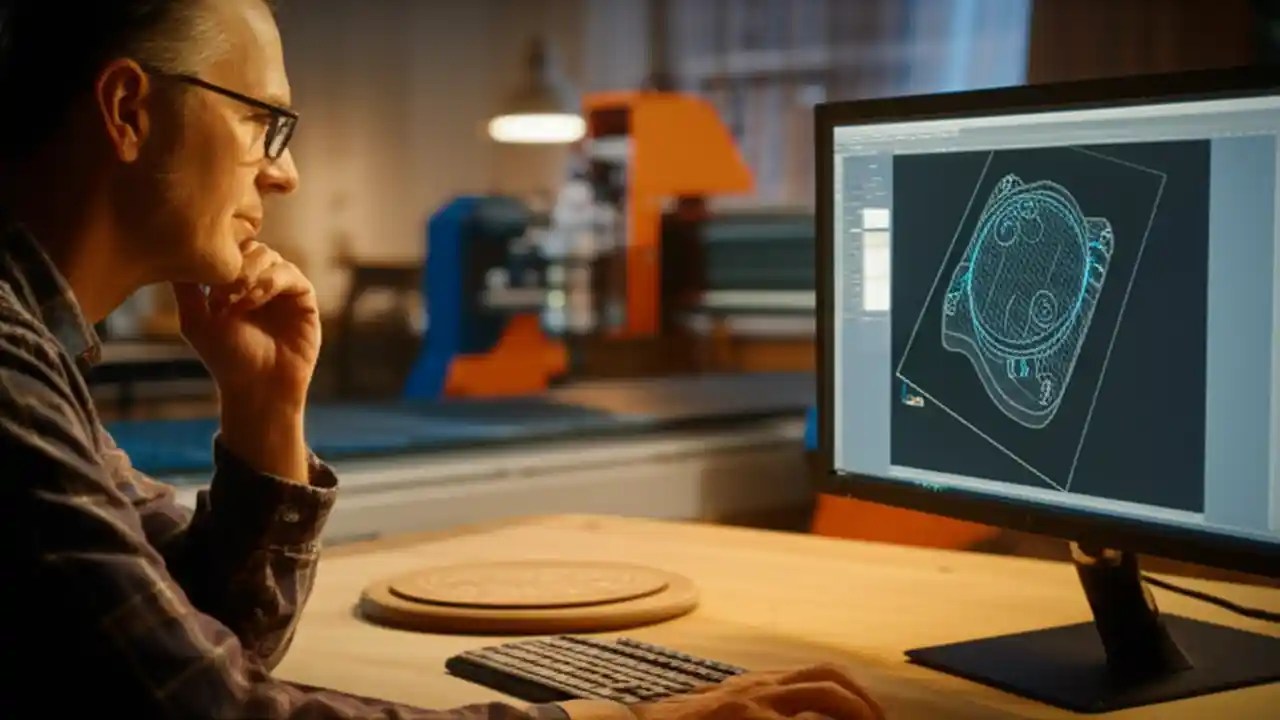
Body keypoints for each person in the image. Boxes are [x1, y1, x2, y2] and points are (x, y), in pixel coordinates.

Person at [0, 1, 884, 718]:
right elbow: (210, 708)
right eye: (262, 121)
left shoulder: (39, 356)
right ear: (126, 111)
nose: (286, 174)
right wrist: (634, 718)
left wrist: (265, 408)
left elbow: (191, 645)